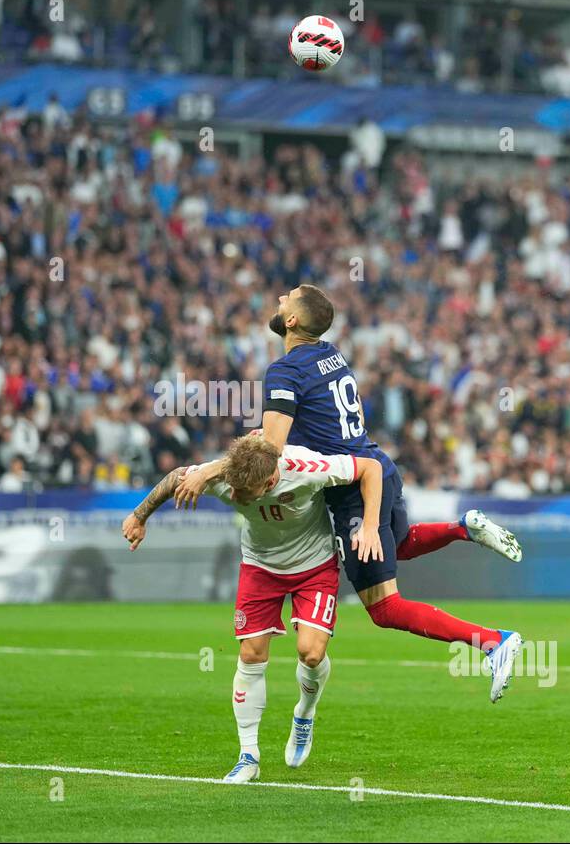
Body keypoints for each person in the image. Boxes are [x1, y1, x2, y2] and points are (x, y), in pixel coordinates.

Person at [177, 284, 526, 703]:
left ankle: (493, 642)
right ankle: (462, 529)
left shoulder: (285, 371)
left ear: (291, 321)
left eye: (285, 298)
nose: (278, 300)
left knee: (384, 609)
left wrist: (208, 470)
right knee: (397, 544)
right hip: (379, 465)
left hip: (354, 488)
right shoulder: (330, 353)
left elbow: (268, 452)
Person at [124, 434, 382, 782]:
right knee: (251, 655)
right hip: (260, 567)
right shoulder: (227, 477)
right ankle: (248, 756)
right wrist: (140, 517)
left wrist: (369, 527)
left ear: (270, 481)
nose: (235, 496)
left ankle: (304, 713)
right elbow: (174, 479)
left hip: (314, 566)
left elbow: (370, 467)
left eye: (244, 492)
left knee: (310, 653)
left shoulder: (307, 469)